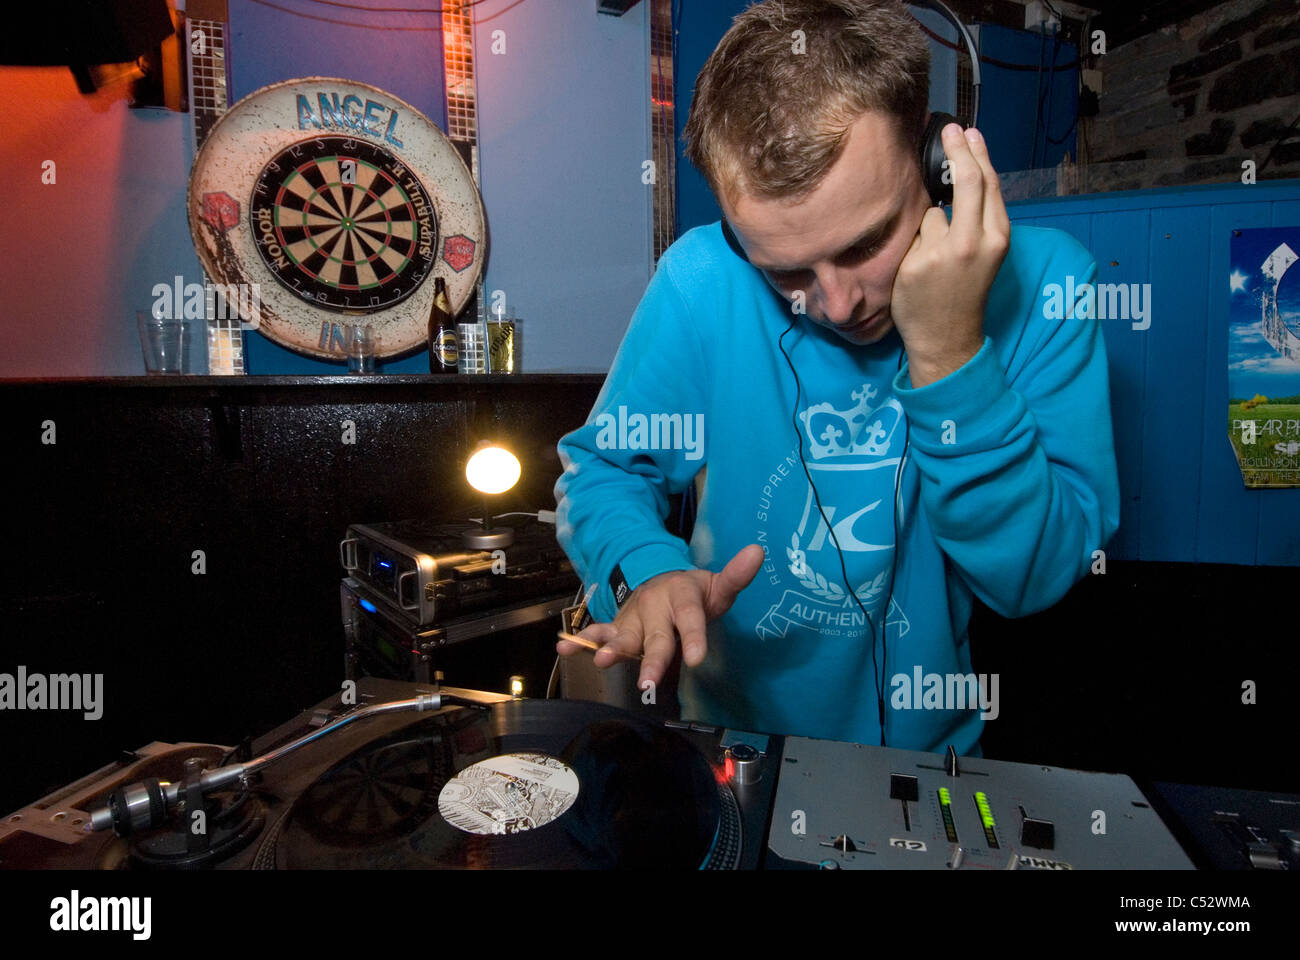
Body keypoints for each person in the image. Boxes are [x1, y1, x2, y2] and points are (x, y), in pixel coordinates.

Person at [553, 0, 1119, 753]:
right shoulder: (699, 280)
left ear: (938, 162)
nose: (838, 304)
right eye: (785, 271)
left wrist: (951, 358)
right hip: (731, 746)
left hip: (935, 761)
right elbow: (603, 471)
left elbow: (1034, 578)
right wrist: (644, 571)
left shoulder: (1047, 286)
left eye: (867, 243)